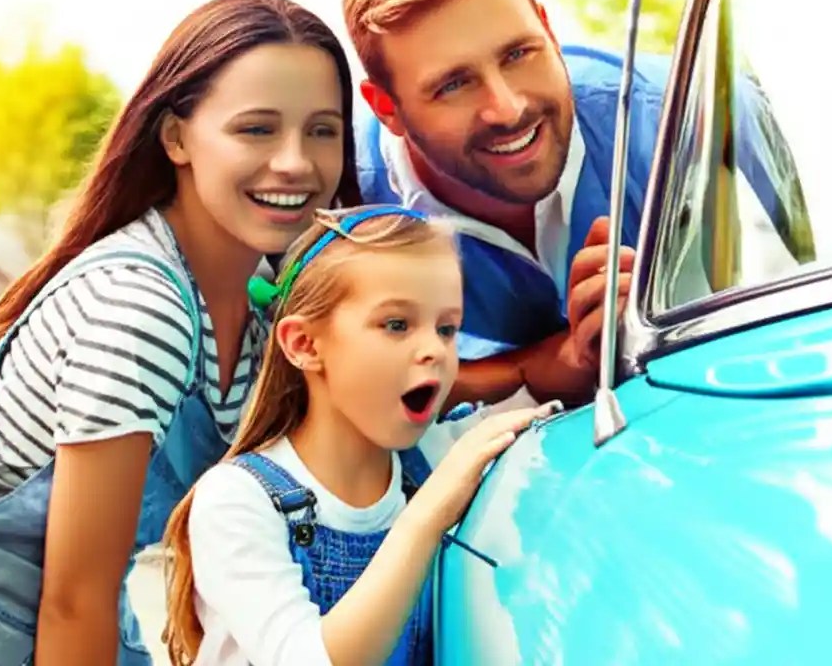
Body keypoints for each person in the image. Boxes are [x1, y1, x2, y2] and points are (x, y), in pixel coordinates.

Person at [0, 0, 362, 666]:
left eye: (322, 130)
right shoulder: (142, 306)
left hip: (76, 616)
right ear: (175, 138)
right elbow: (73, 598)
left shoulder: (261, 315)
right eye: (256, 129)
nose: (296, 163)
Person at [341, 0, 789, 411]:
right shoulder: (344, 201)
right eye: (453, 84)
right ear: (386, 108)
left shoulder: (696, 115)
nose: (508, 108)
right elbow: (346, 391)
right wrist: (559, 363)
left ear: (548, 29)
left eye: (518, 53)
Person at [161, 205, 560, 666]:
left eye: (447, 328)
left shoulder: (436, 454)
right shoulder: (237, 501)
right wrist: (427, 515)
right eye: (396, 325)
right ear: (304, 344)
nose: (434, 350)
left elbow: (551, 406)